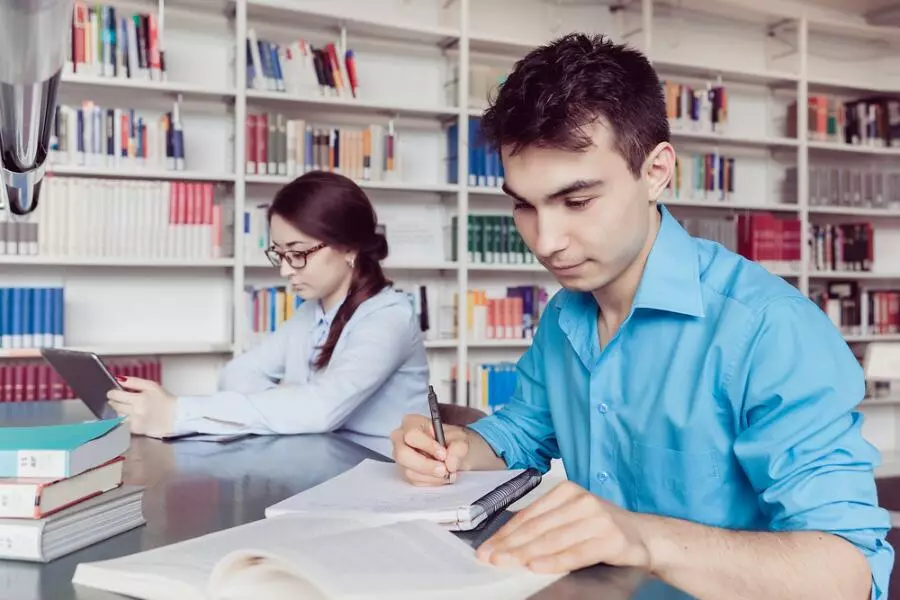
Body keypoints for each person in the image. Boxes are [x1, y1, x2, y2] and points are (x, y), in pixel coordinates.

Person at [390, 33, 893, 600]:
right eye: (524, 205)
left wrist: (643, 539)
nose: (547, 242)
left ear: (656, 172)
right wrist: (456, 446)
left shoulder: (769, 329)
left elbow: (848, 573)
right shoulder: (564, 316)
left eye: (576, 201)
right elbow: (522, 432)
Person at [108, 171, 430, 438]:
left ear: (349, 248)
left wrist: (178, 413)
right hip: (324, 466)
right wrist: (291, 402)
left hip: (383, 481)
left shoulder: (390, 319)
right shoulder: (312, 313)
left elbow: (320, 410)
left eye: (298, 253)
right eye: (280, 253)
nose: (285, 269)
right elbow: (236, 374)